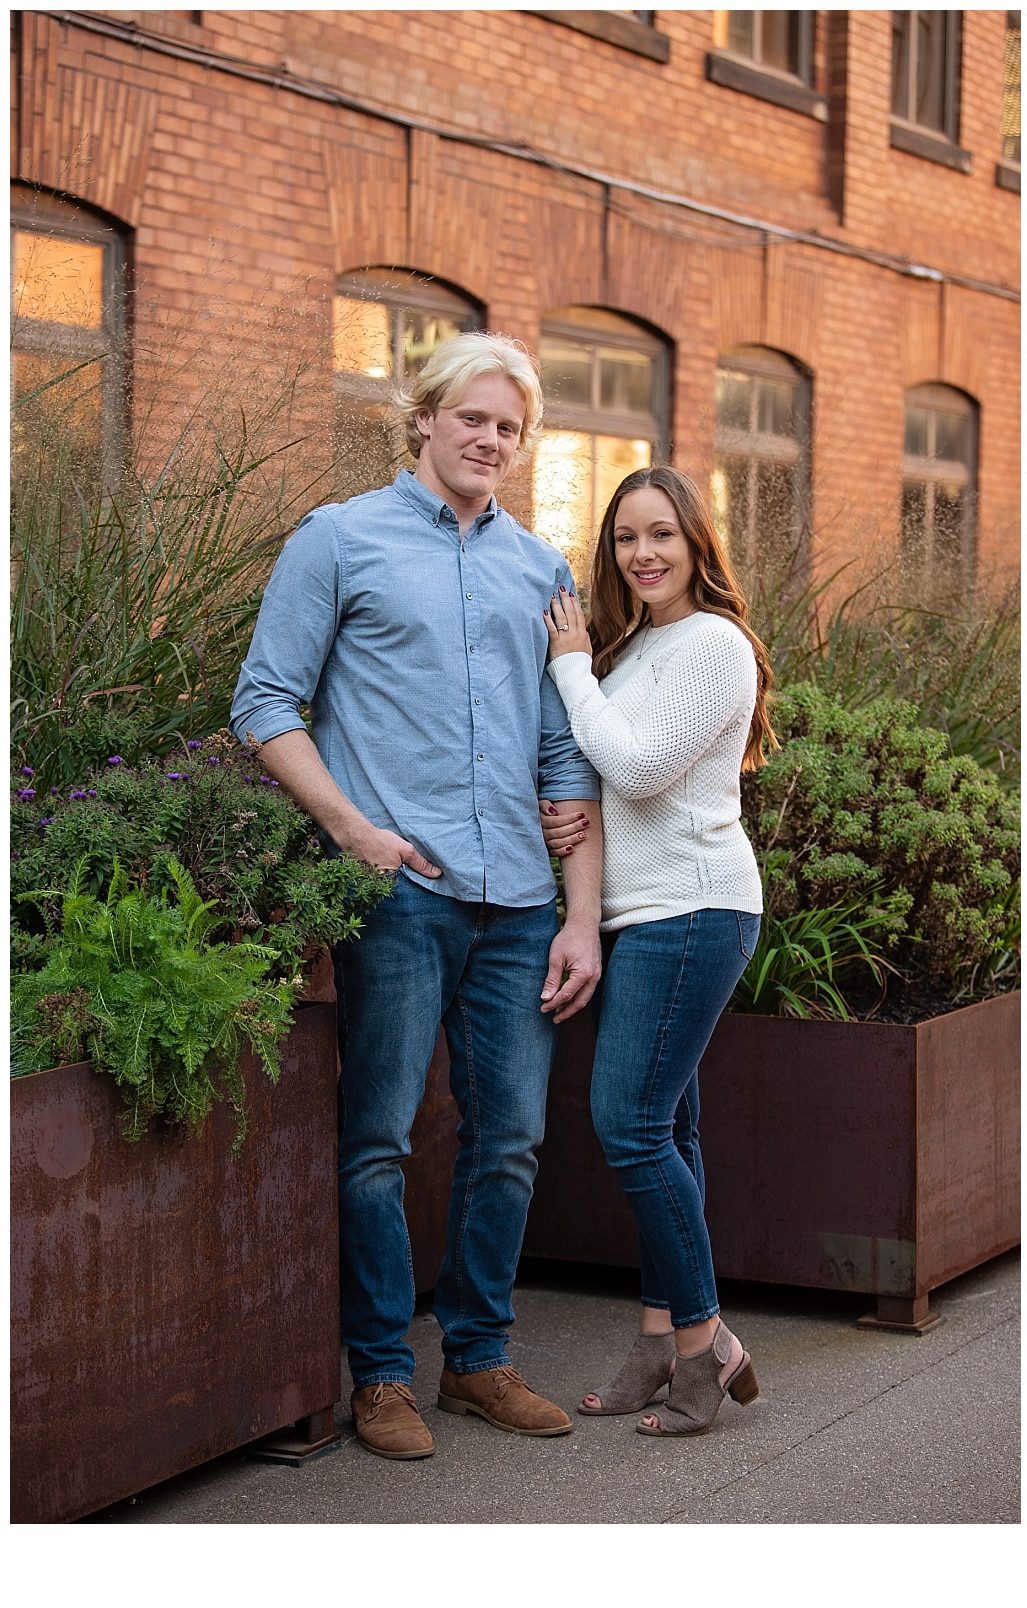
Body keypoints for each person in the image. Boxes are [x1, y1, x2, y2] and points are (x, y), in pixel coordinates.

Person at [230, 332, 604, 1460]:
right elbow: (264, 703)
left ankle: (478, 1362)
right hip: (399, 892)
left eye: (510, 427)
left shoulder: (540, 570)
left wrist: (580, 915)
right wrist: (352, 833)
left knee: (512, 1138)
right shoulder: (337, 540)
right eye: (473, 418)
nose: (491, 440)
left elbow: (564, 761)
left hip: (521, 902)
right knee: (379, 1138)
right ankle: (382, 1376)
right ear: (425, 419)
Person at [535, 464, 775, 1437]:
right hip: (645, 912)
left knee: (627, 1126)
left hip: (694, 907)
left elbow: (634, 769)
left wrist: (568, 667)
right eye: (626, 536)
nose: (643, 553)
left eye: (662, 534)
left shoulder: (712, 644)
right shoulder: (637, 650)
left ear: (696, 544)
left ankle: (706, 1344)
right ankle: (656, 1342)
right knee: (666, 1134)